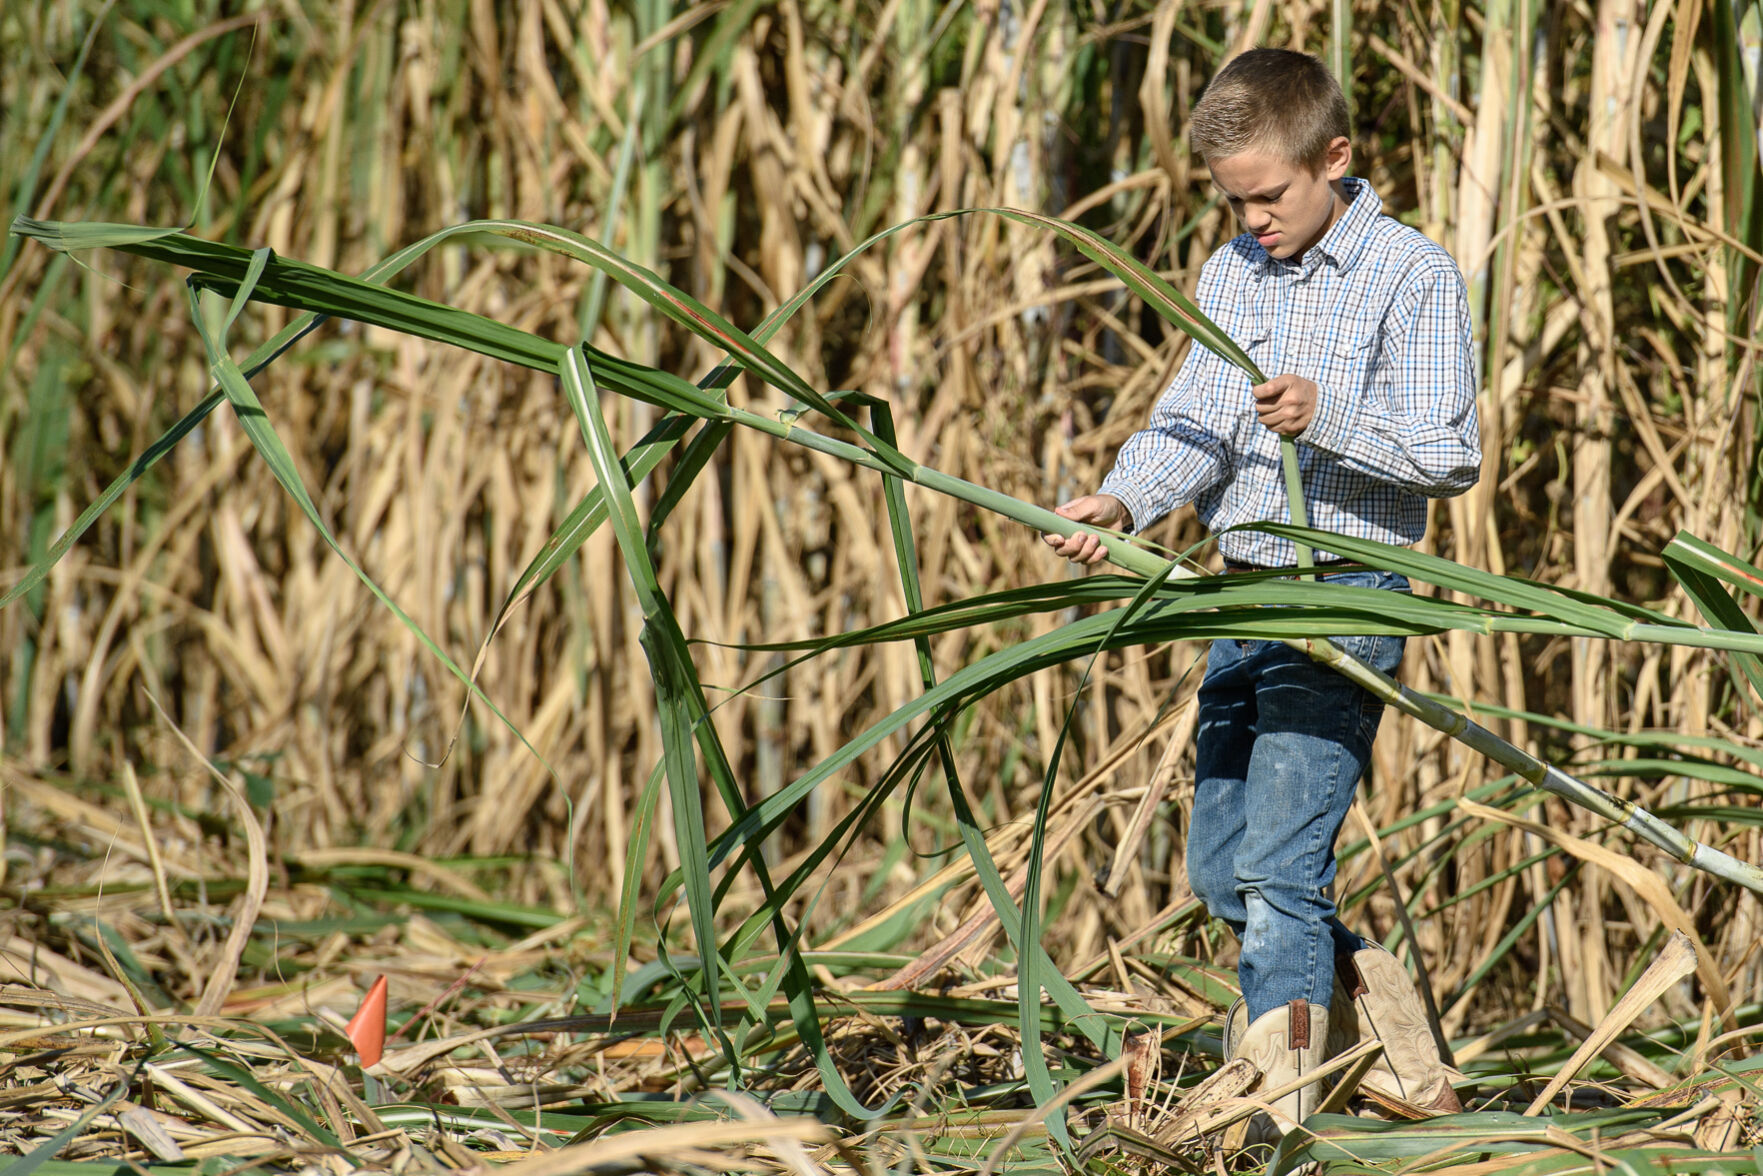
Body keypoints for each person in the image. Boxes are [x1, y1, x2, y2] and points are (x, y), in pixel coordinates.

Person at [1043, 48, 1479, 1137]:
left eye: (1267, 196)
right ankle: (1403, 1059)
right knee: (1219, 868)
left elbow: (1448, 452)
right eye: (1231, 201)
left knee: (1282, 872)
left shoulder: (1409, 273)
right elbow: (1194, 420)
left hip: (1343, 594)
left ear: (1332, 157)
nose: (1251, 220)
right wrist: (1122, 501)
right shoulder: (1231, 272)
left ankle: (1275, 1121)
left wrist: (1323, 416)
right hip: (1240, 591)